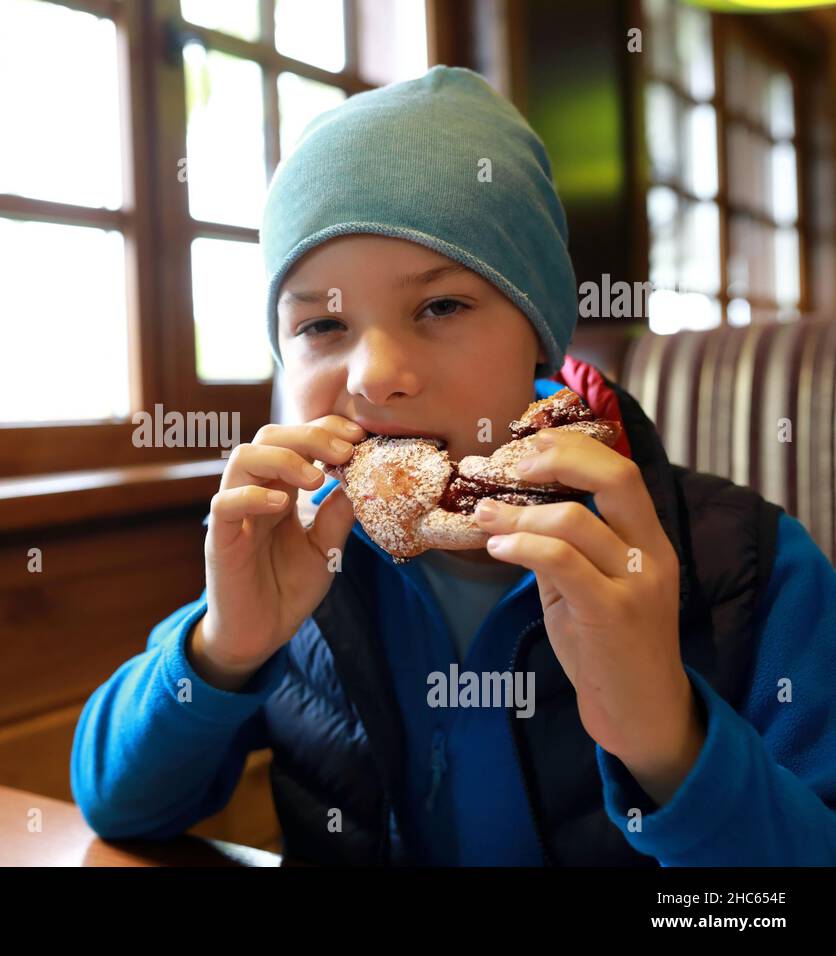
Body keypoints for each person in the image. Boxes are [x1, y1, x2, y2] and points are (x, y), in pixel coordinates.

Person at [70, 66, 836, 865]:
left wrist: (669, 741)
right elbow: (117, 805)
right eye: (323, 324)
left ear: (538, 337)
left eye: (441, 306)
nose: (374, 373)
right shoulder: (296, 550)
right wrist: (224, 648)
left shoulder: (750, 566)